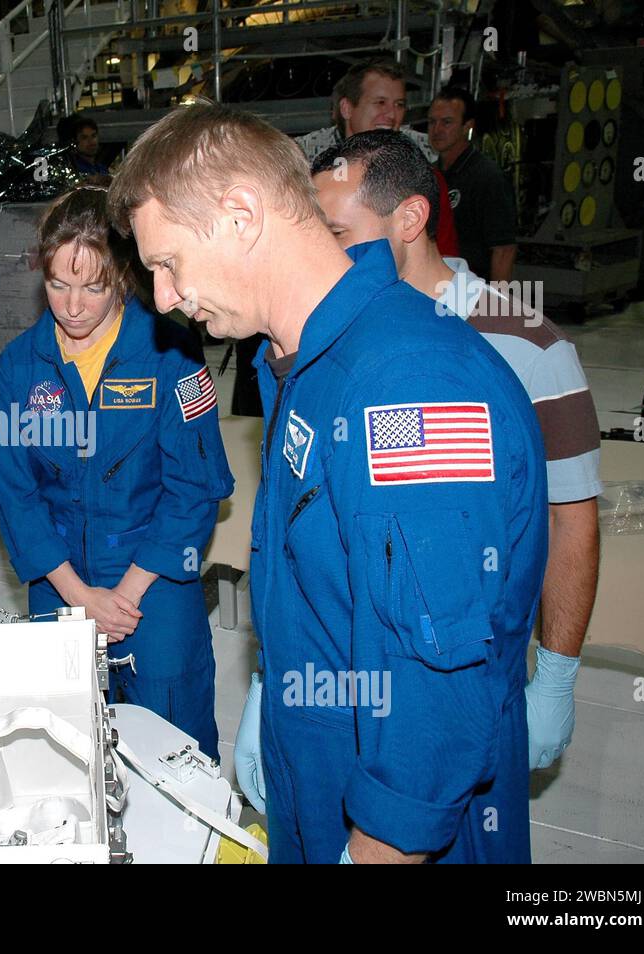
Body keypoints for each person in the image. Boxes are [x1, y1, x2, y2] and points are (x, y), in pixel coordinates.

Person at [108, 104, 549, 863]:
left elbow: (436, 694)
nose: (166, 296)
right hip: (315, 783)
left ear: (240, 214)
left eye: (168, 262)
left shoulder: (407, 386)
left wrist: (375, 847)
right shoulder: (300, 364)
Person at [311, 130, 602, 771]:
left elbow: (569, 519)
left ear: (411, 218)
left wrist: (555, 675)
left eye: (332, 234)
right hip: (346, 665)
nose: (316, 255)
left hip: (468, 672)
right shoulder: (331, 343)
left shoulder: (532, 348)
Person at [0, 187, 233, 757]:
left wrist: (122, 595)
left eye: (93, 287)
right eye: (58, 284)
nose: (72, 306)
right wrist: (77, 597)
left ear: (122, 276)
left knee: (175, 741)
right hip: (59, 576)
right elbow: (17, 496)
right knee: (66, 742)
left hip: (153, 576)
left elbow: (193, 488)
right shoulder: (22, 366)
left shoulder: (171, 353)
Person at [294, 59, 458, 258]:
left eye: (399, 104)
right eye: (380, 102)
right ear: (346, 108)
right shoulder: (307, 179)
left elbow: (446, 257)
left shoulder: (423, 179)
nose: (391, 114)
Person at [428, 85, 519, 283]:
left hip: (473, 290)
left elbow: (504, 249)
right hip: (438, 288)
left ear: (467, 126)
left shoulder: (487, 177)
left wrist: (495, 306)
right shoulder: (430, 175)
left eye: (447, 122)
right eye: (432, 122)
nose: (437, 130)